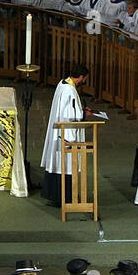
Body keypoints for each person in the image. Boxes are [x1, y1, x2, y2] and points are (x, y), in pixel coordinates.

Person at [40, 65, 91, 204]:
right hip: (65, 133)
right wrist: (83, 114)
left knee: (58, 164)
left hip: (58, 132)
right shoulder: (69, 90)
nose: (84, 81)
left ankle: (56, 196)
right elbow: (69, 114)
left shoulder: (62, 83)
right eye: (84, 78)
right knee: (65, 165)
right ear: (81, 77)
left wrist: (80, 109)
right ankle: (64, 197)